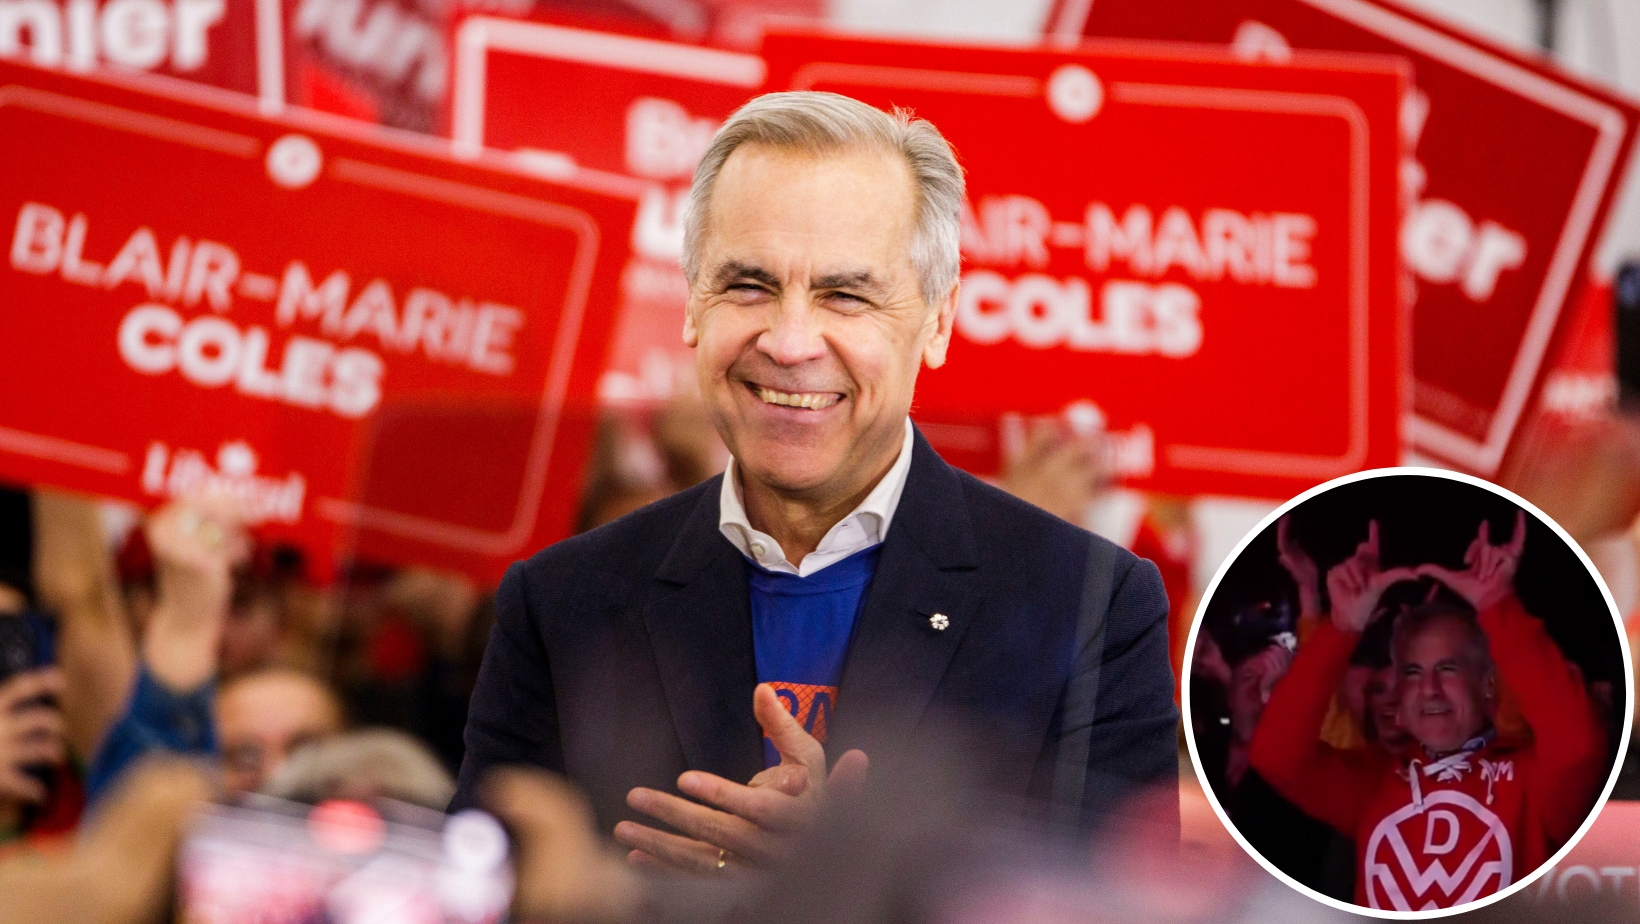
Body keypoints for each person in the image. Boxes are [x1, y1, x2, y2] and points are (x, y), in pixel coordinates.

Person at [454, 90, 1178, 869]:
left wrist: (845, 883)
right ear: (693, 303)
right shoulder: (561, 604)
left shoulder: (1090, 605)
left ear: (937, 321)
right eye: (749, 285)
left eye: (845, 295)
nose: (792, 340)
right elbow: (482, 890)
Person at [1250, 514, 1606, 911]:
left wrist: (1497, 607)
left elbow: (1579, 748)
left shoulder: (1528, 782)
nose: (1430, 689)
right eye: (1414, 672)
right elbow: (1276, 757)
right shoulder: (1373, 782)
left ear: (1487, 684)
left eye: (1448, 668)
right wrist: (1341, 626)